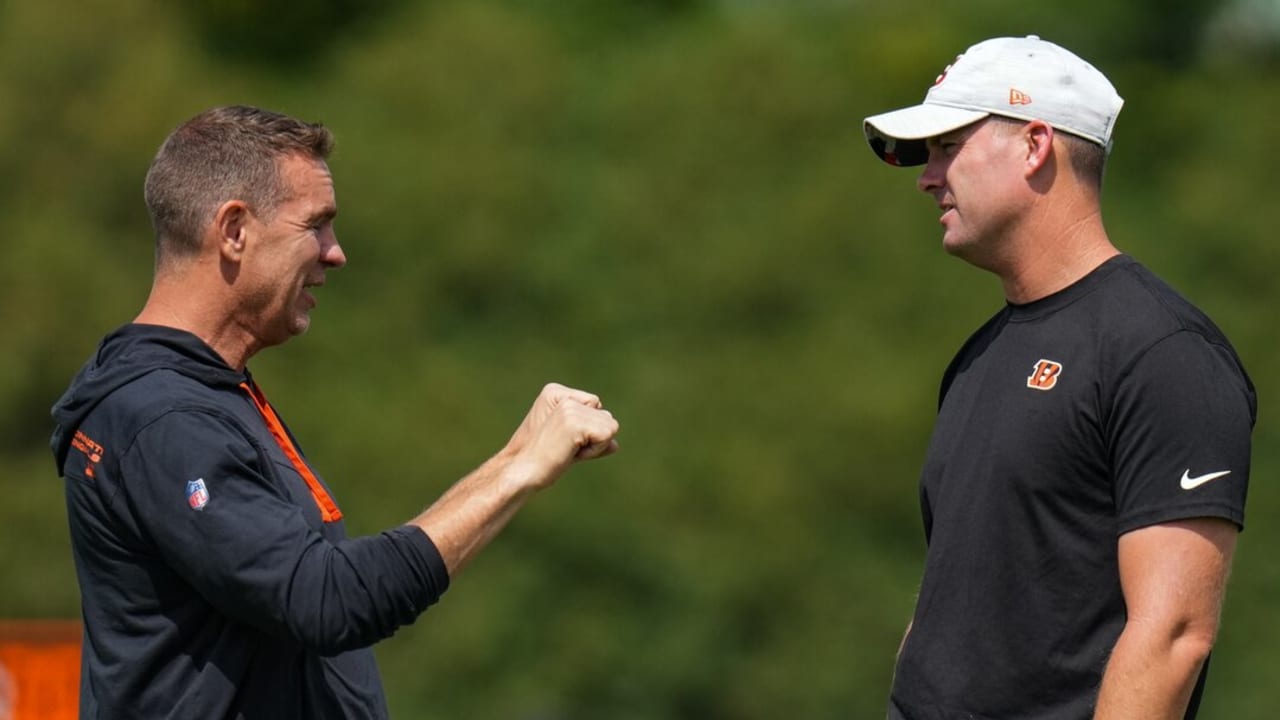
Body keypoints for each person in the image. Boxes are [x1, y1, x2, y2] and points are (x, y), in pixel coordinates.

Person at [49, 105, 621, 719]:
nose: (335, 252)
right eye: (316, 225)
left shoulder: (203, 392)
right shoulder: (163, 419)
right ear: (235, 230)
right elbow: (326, 599)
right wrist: (520, 469)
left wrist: (516, 455)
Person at [863, 36, 1255, 719]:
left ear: (1035, 144)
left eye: (948, 147)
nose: (927, 177)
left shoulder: (1164, 352)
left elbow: (1173, 638)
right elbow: (951, 612)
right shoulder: (979, 354)